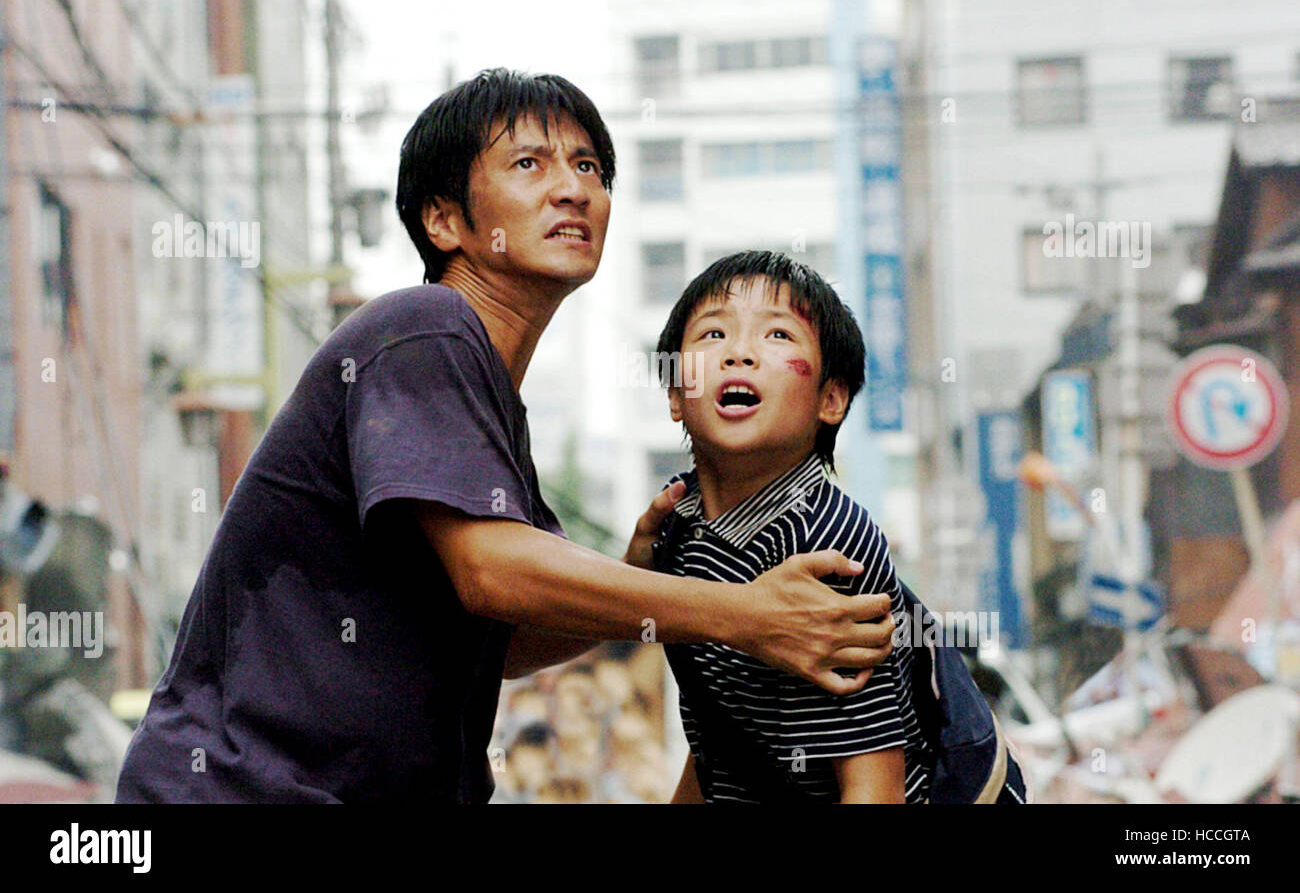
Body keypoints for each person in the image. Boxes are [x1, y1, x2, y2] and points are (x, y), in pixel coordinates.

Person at [115, 70, 895, 804]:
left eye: (590, 167)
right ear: (445, 219)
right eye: (530, 162)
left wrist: (628, 574)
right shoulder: (424, 330)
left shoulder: (487, 407)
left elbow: (507, 642)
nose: (574, 188)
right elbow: (492, 572)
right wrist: (747, 614)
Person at [650, 251, 933, 804]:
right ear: (675, 396)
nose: (739, 352)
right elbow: (718, 737)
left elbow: (874, 781)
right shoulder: (677, 526)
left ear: (831, 398)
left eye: (778, 335)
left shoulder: (828, 541)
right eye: (712, 334)